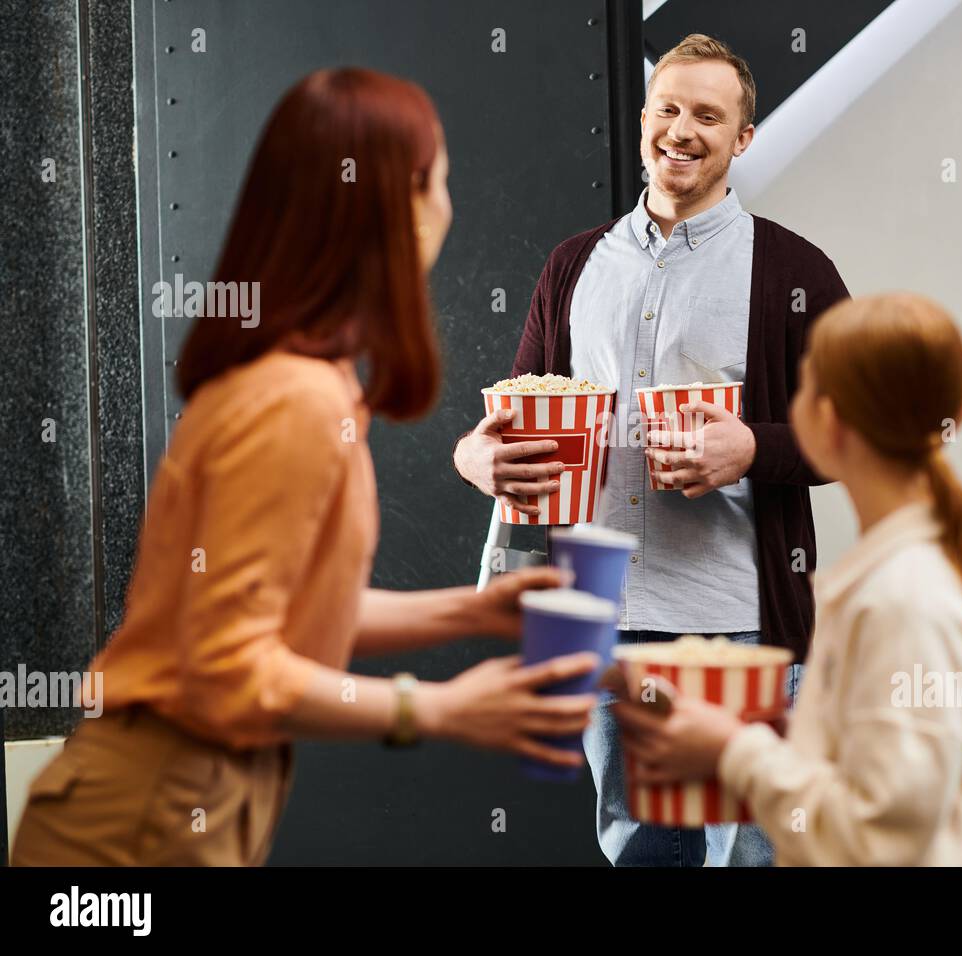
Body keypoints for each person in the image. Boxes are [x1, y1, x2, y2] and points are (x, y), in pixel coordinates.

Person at [12, 68, 597, 867]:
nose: (449, 208)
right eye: (442, 181)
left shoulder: (305, 384)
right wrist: (437, 710)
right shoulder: (291, 401)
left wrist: (474, 611)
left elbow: (294, 615)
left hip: (183, 803)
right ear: (400, 207)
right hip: (141, 822)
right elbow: (232, 667)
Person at [452, 34, 849, 866]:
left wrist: (753, 447)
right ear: (643, 122)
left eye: (709, 115)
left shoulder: (792, 270)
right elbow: (517, 415)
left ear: (743, 138)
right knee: (638, 851)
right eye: (668, 109)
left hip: (741, 625)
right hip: (606, 615)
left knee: (746, 855)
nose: (683, 129)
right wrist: (475, 459)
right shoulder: (574, 265)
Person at [614, 293, 962, 865]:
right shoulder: (901, 583)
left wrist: (734, 750)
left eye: (803, 385)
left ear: (826, 419)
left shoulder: (899, 603)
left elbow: (882, 840)